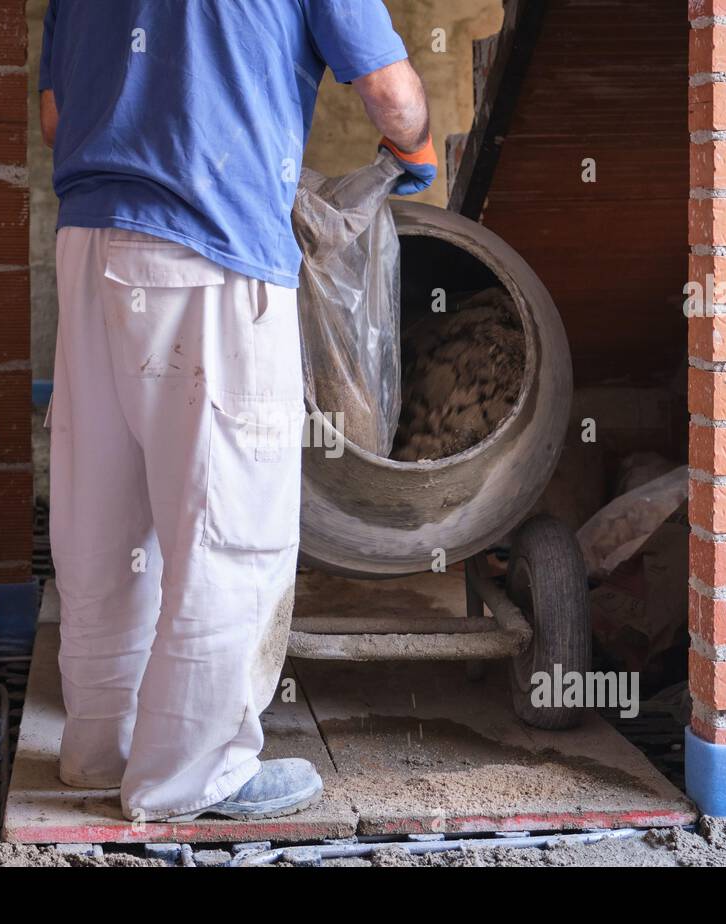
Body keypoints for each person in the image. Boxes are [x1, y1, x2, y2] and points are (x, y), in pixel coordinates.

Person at [38, 0, 435, 823]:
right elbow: (392, 95)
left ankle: (97, 749)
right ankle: (196, 775)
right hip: (212, 248)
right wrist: (413, 147)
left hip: (88, 246)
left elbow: (55, 115)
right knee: (229, 527)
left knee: (102, 519)